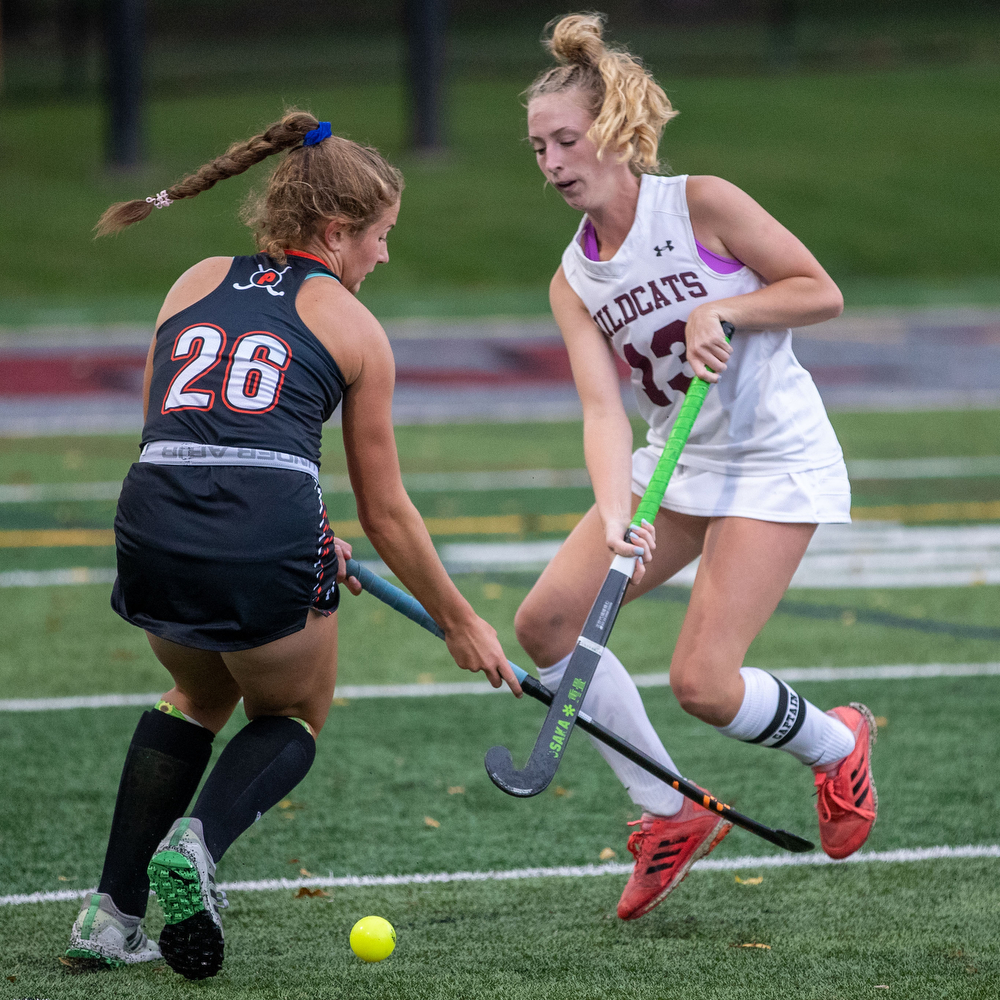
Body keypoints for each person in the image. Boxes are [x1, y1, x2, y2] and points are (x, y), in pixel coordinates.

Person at [65, 111, 521, 979]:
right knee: (291, 715)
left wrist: (304, 532)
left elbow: (184, 433)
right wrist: (461, 622)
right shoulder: (353, 326)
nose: (384, 256)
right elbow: (386, 513)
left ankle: (109, 914)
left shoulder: (194, 279)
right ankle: (197, 844)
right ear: (338, 230)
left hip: (152, 520)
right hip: (261, 532)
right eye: (381, 236)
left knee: (196, 693)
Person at [514, 14, 877, 921]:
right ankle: (668, 812)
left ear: (614, 130)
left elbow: (819, 291)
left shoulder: (700, 204)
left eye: (566, 140)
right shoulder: (573, 279)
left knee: (704, 686)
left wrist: (728, 310)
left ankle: (837, 747)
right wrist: (613, 512)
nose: (552, 162)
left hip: (772, 458)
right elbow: (603, 409)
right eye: (538, 148)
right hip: (674, 462)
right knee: (547, 624)